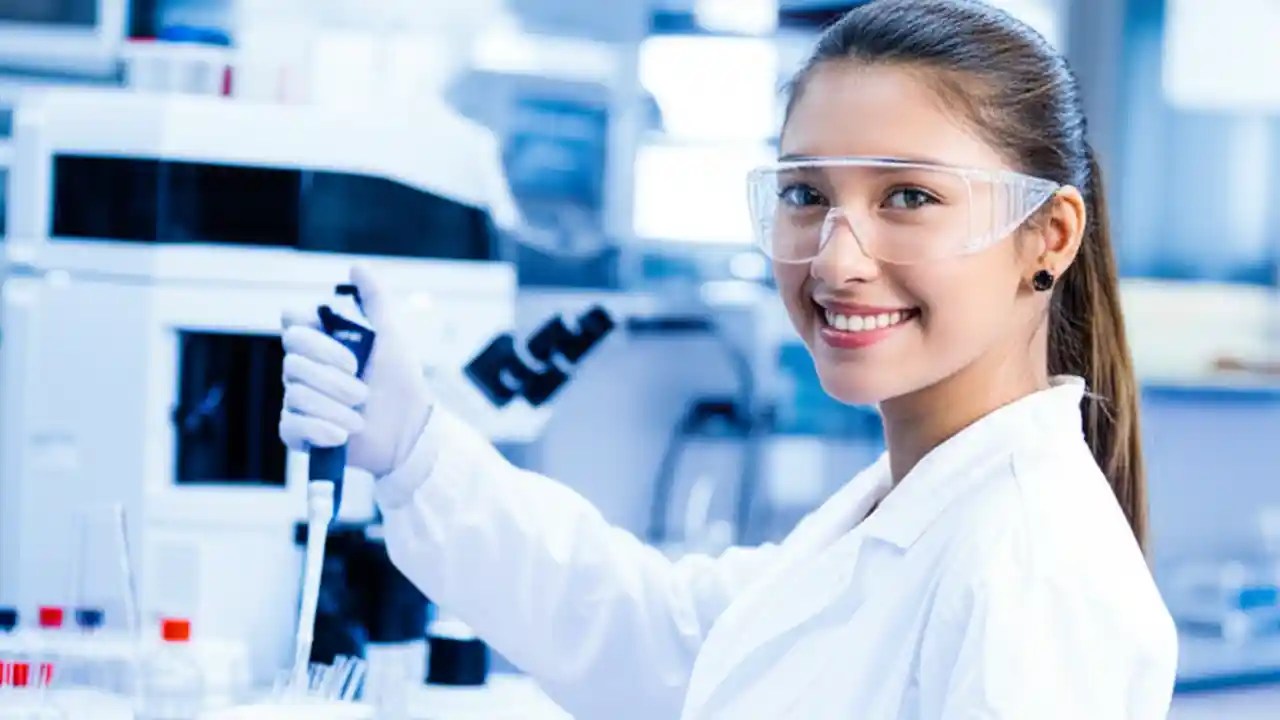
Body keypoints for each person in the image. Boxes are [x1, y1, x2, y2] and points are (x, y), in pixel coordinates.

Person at [279, 1, 1178, 717]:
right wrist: (414, 450)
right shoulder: (903, 506)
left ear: (1047, 238)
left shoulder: (1030, 571)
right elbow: (669, 642)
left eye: (909, 196)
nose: (835, 257)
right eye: (804, 193)